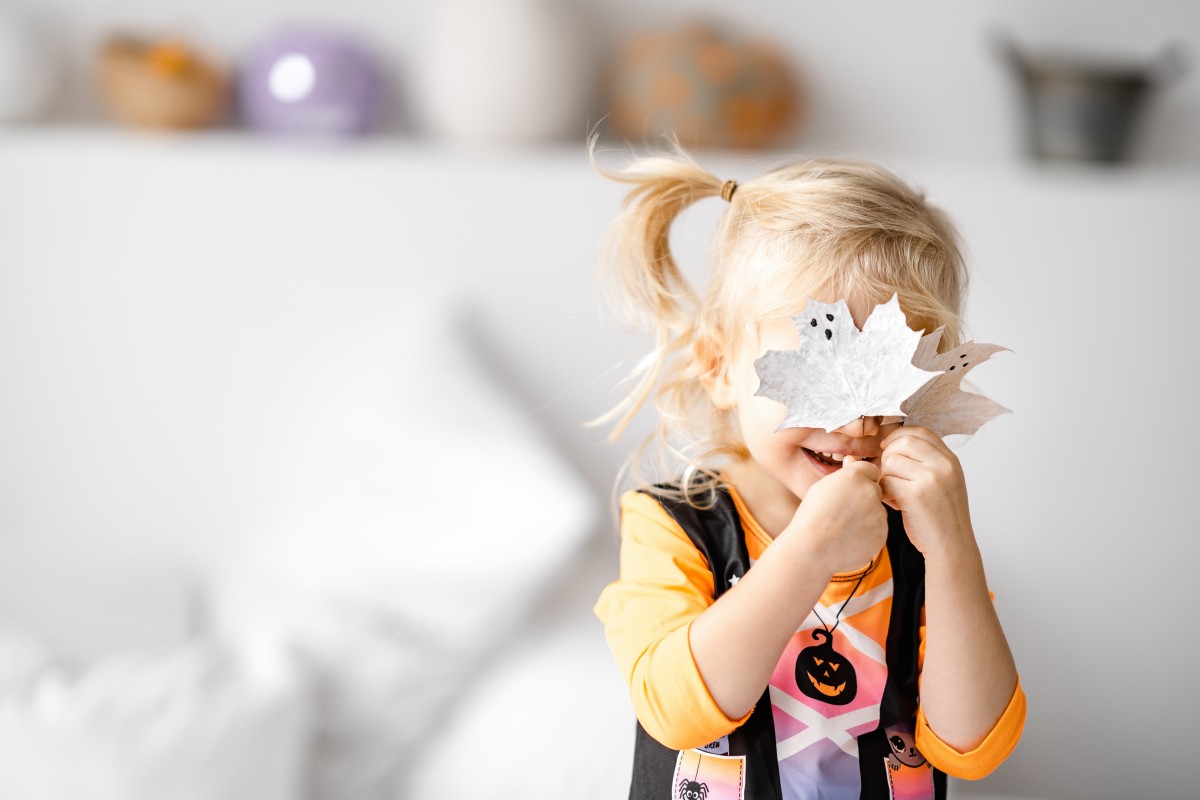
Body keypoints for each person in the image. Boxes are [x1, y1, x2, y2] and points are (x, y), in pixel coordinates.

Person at [589, 137, 1026, 800]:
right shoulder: (675, 526)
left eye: (890, 384)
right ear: (719, 367)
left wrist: (953, 550)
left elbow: (971, 746)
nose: (856, 426)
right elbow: (675, 709)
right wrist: (812, 547)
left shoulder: (920, 545)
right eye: (823, 376)